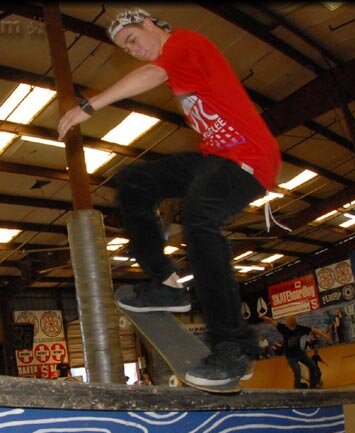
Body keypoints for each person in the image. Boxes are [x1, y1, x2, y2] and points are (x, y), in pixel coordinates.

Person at [58, 8, 282, 390]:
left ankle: (233, 346)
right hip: (215, 159)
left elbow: (153, 73)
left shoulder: (185, 42)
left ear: (149, 24)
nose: (134, 50)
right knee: (134, 181)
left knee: (198, 218)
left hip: (251, 158)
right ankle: (166, 282)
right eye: (126, 48)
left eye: (132, 40)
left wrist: (90, 105)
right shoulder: (177, 62)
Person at [261, 314, 332, 389]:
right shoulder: (283, 328)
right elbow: (272, 321)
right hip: (290, 357)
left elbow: (313, 330)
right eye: (288, 326)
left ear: (294, 325)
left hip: (300, 353)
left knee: (312, 365)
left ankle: (313, 386)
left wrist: (325, 336)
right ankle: (297, 391)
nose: (289, 328)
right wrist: (264, 317)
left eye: (291, 327)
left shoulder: (300, 328)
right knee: (297, 373)